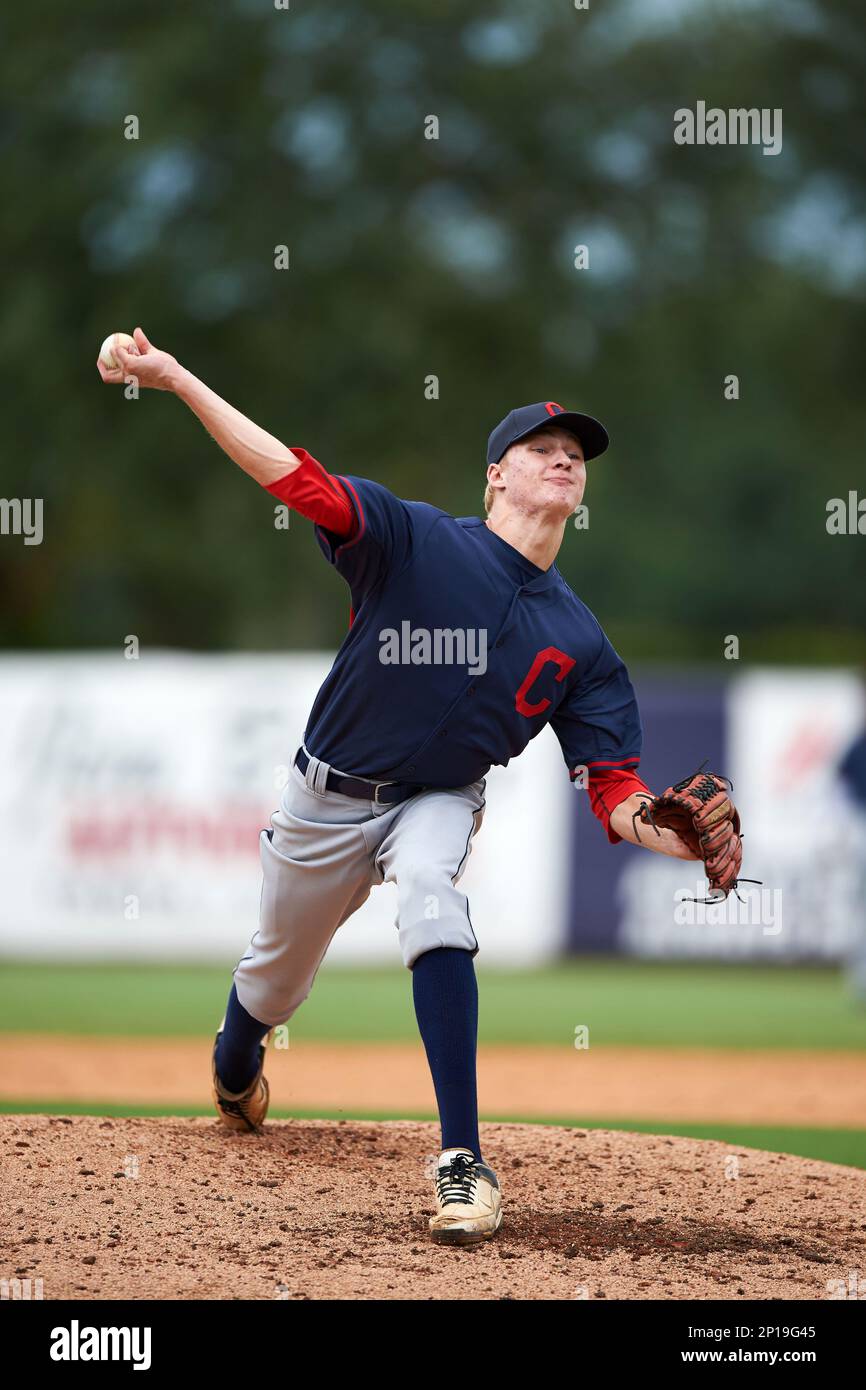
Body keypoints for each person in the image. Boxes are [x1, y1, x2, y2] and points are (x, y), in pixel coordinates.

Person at [98, 328, 701, 1245]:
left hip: (439, 797)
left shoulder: (581, 641)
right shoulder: (413, 537)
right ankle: (234, 1065)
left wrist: (673, 833)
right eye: (541, 449)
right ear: (494, 474)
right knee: (273, 981)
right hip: (325, 799)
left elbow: (615, 789)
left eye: (575, 455)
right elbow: (293, 477)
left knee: (432, 899)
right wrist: (176, 378)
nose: (563, 461)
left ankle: (463, 1162)